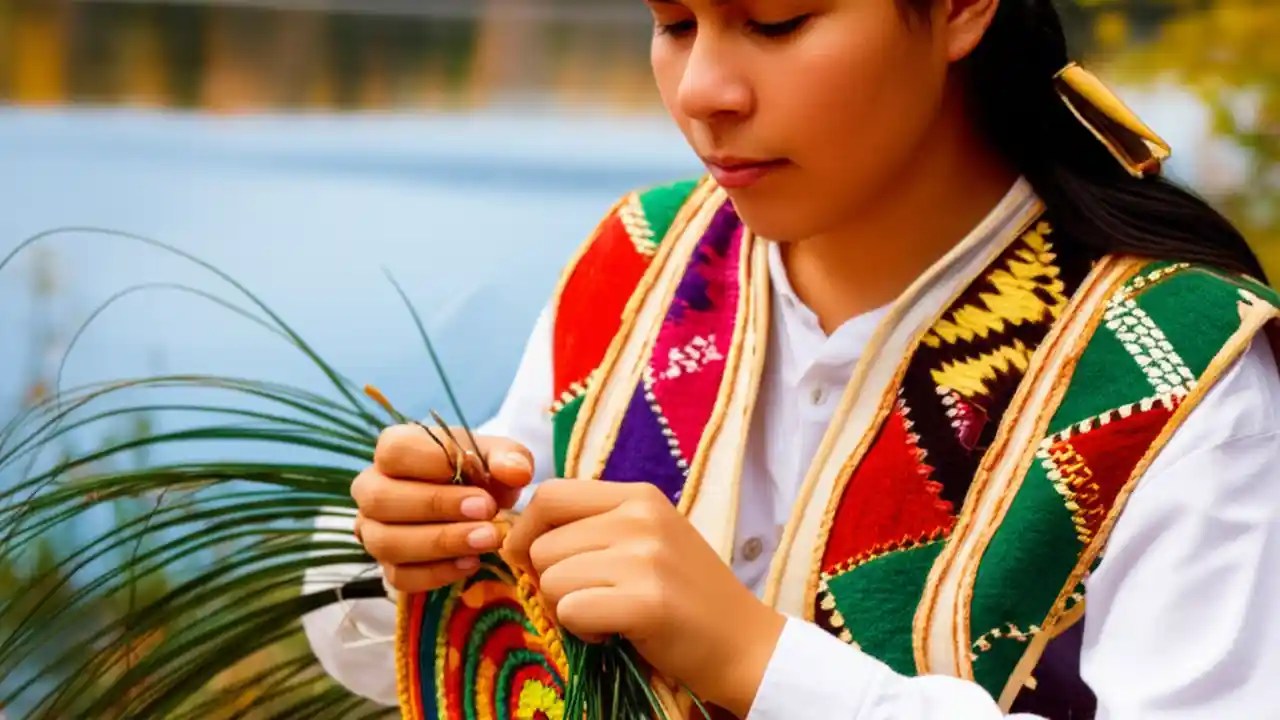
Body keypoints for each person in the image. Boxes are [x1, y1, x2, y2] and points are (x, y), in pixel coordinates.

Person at [302, 0, 1280, 717]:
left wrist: (759, 663)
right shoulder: (640, 261)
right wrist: (410, 552)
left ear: (959, 10)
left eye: (775, 24)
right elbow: (461, 647)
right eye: (673, 24)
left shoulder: (1180, 372)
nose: (702, 93)